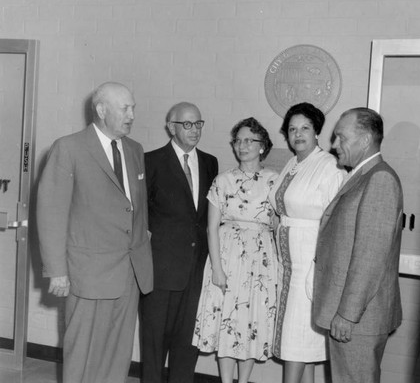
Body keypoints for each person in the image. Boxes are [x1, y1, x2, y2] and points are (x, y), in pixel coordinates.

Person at [36, 81, 154, 383]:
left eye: (133, 108)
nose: (131, 115)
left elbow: (135, 209)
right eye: (124, 108)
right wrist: (57, 271)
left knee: (118, 351)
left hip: (128, 272)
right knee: (83, 351)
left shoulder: (135, 150)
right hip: (87, 271)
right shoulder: (69, 147)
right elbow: (51, 213)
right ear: (101, 110)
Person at [313, 107, 403, 383]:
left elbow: (370, 257)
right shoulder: (363, 174)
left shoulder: (379, 179)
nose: (334, 145)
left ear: (364, 140)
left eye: (341, 137)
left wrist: (347, 315)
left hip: (358, 319)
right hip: (354, 315)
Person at [192, 118, 279, 383]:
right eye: (238, 140)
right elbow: (211, 228)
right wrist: (217, 268)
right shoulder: (223, 180)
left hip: (261, 262)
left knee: (251, 320)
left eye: (249, 140)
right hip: (227, 258)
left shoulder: (274, 181)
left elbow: (278, 225)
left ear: (262, 146)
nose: (242, 146)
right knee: (227, 322)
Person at [141, 102, 218, 383]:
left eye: (198, 123)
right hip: (160, 271)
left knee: (188, 344)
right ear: (171, 127)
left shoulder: (210, 162)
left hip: (197, 272)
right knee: (154, 343)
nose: (194, 130)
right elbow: (141, 215)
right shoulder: (150, 161)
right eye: (187, 124)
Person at [268, 102, 346, 383]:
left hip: (309, 266)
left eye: (304, 128)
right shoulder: (294, 163)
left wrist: (319, 266)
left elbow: (335, 225)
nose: (297, 134)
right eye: (291, 129)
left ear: (317, 131)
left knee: (296, 342)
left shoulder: (330, 167)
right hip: (288, 265)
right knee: (305, 348)